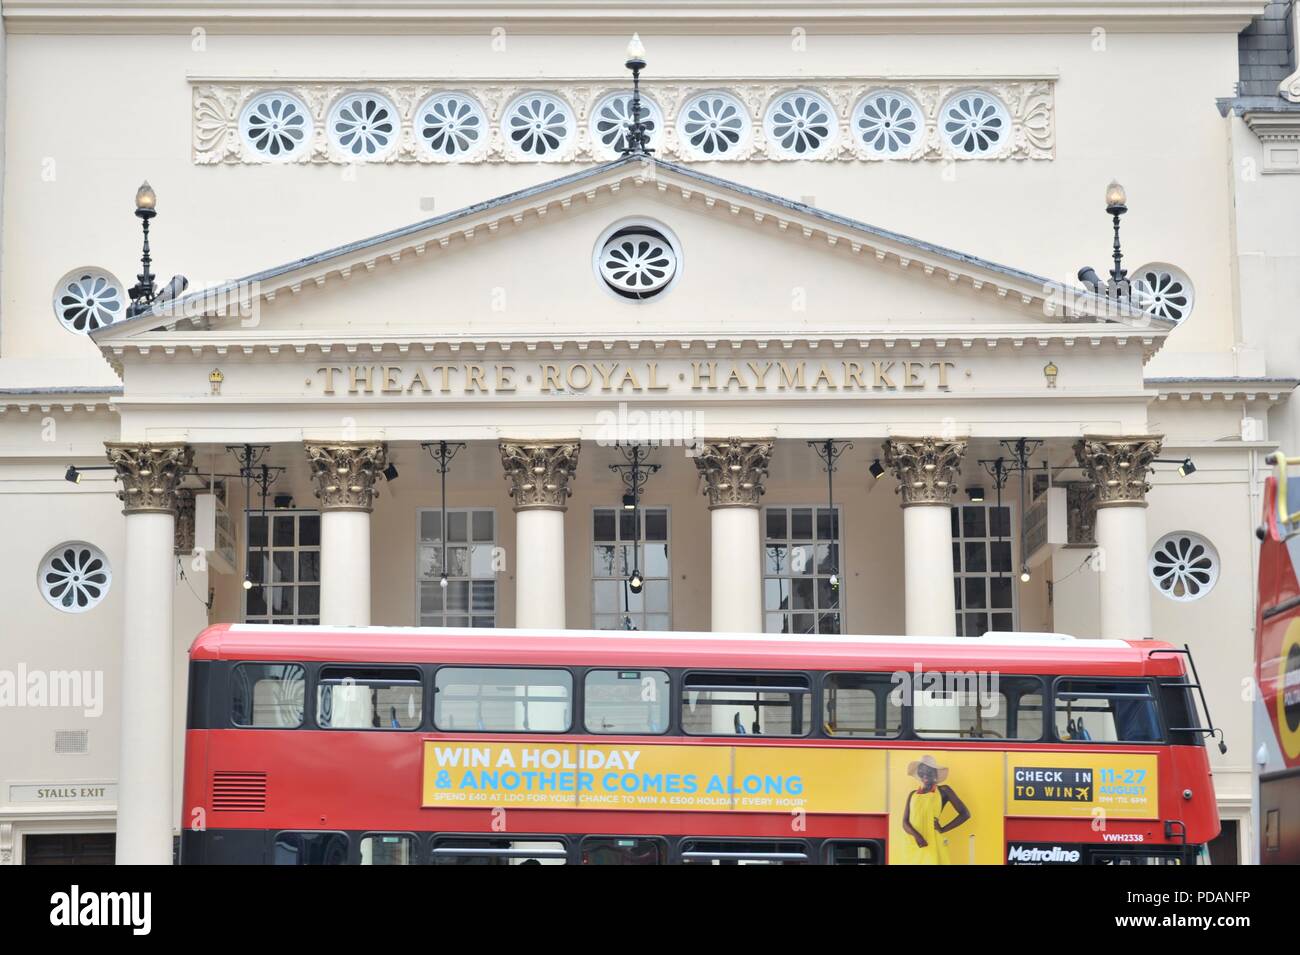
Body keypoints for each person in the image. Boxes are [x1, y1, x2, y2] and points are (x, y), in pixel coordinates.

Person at [897, 755, 972, 865]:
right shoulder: (912, 795)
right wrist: (917, 836)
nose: (925, 774)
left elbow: (965, 814)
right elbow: (905, 822)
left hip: (934, 841)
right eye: (922, 771)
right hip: (914, 843)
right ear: (919, 774)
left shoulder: (944, 790)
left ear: (935, 774)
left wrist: (943, 829)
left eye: (929, 771)